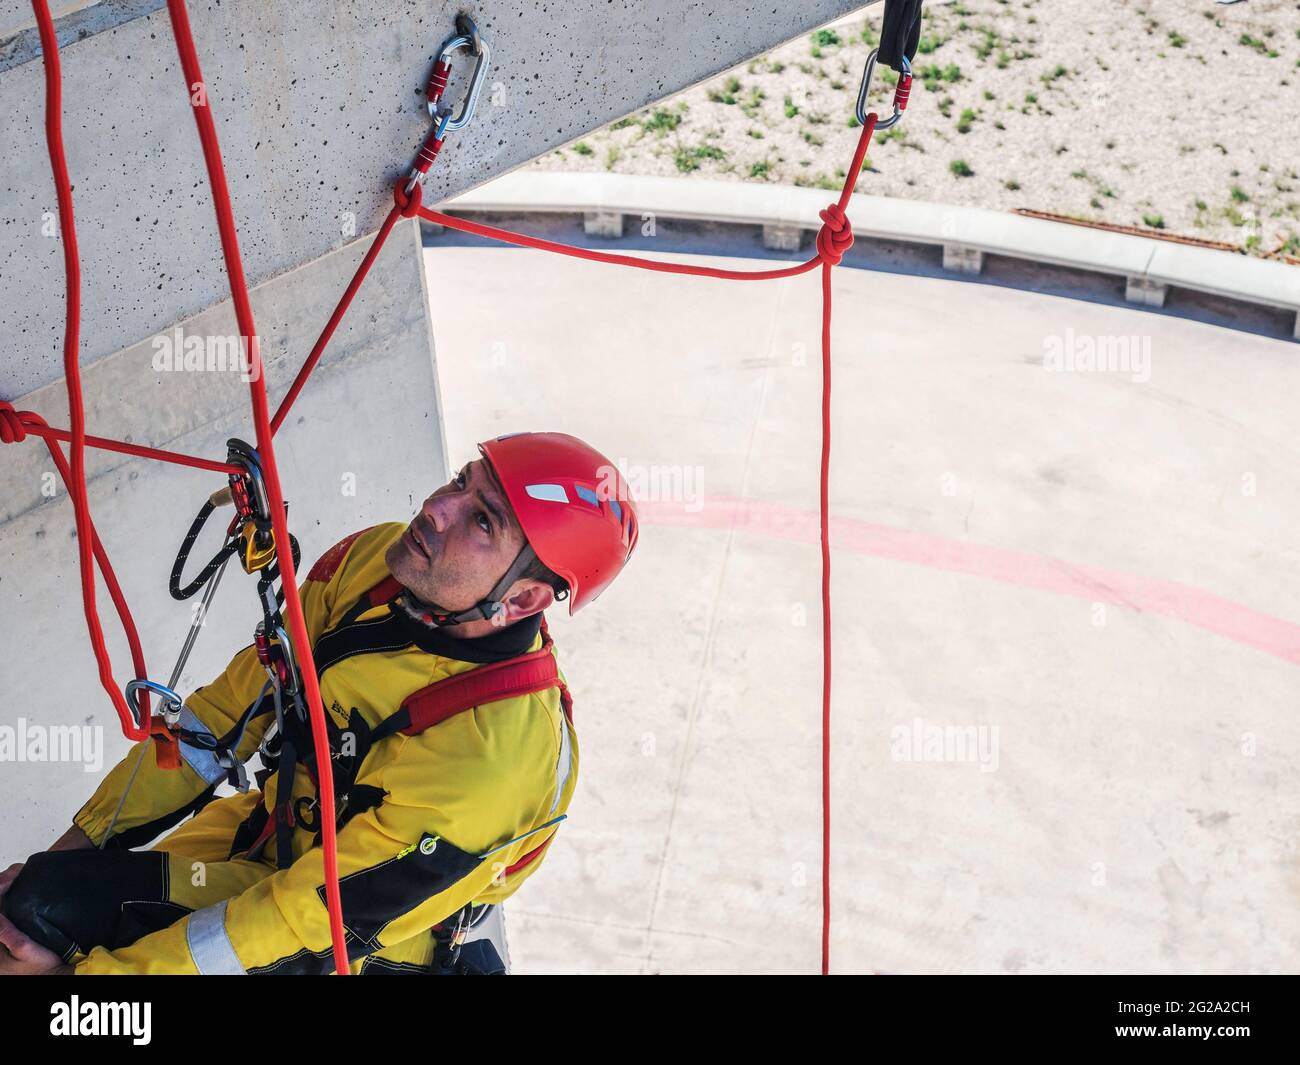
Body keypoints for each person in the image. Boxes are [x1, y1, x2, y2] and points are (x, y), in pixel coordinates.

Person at [0, 430, 638, 974]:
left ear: (523, 600)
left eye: (482, 520)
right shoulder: (375, 568)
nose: (438, 508)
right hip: (272, 832)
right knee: (29, 909)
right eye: (459, 483)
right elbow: (218, 721)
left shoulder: (487, 764)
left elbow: (297, 920)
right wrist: (70, 848)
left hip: (343, 935)